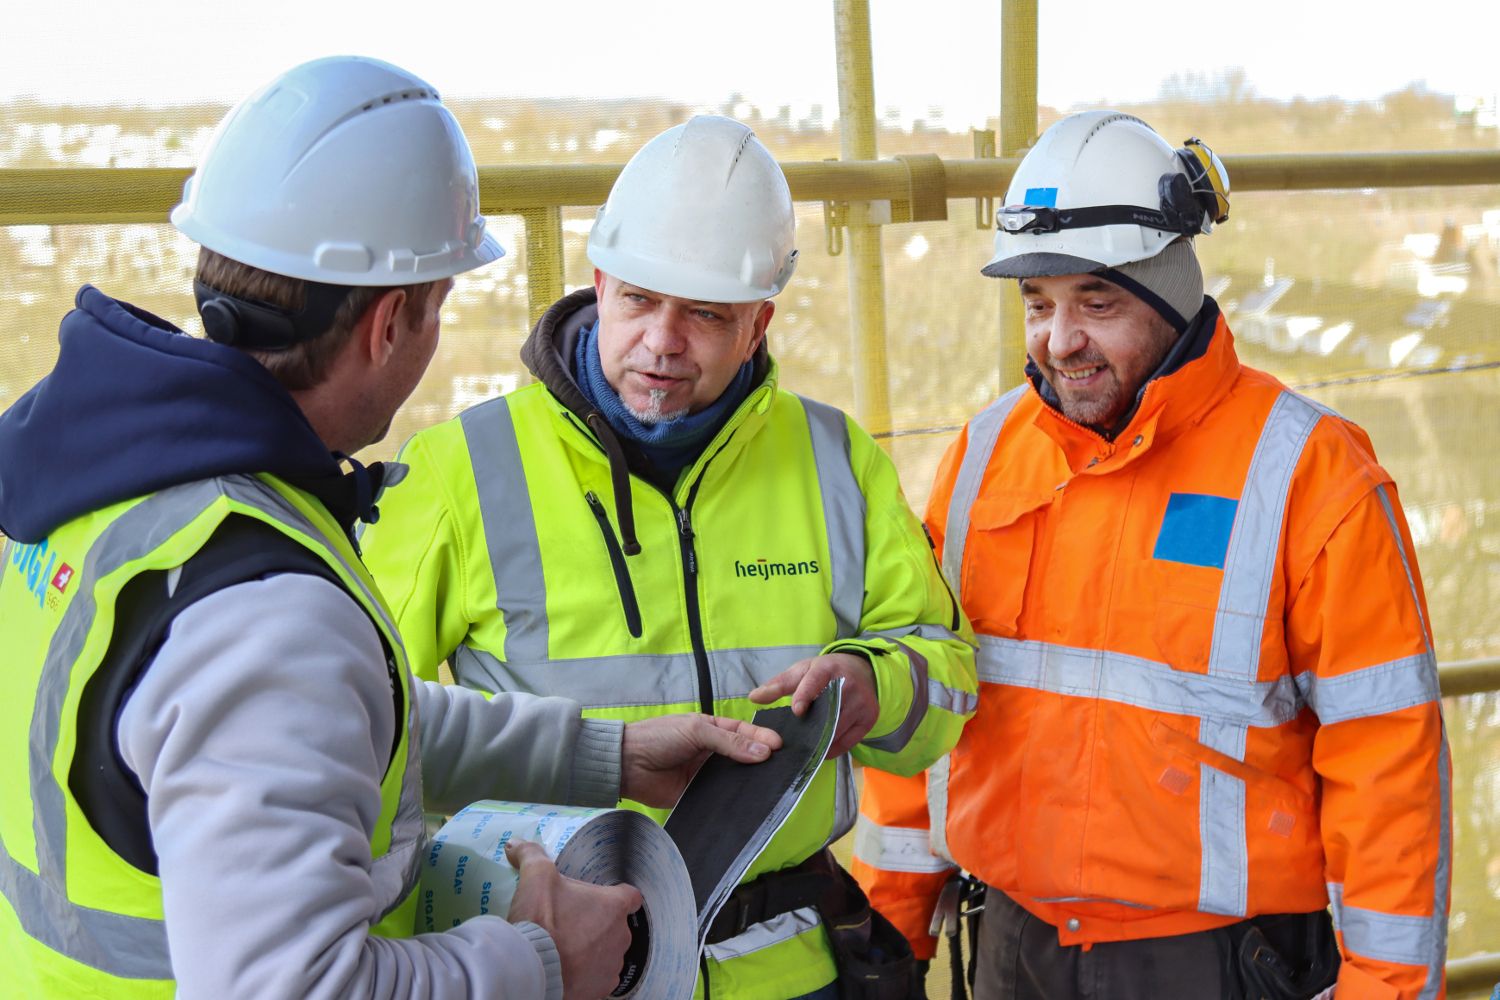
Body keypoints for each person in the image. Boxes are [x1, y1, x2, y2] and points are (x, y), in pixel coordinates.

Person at [0, 57, 781, 1000]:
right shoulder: (262, 610)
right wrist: (542, 960)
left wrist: (603, 755)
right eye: (440, 307)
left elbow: (340, 717)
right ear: (389, 322)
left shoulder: (108, 488)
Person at [360, 114, 978, 999]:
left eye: (704, 315)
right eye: (640, 300)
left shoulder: (836, 460)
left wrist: (879, 684)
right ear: (600, 282)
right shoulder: (460, 472)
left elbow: (951, 670)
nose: (661, 341)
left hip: (791, 964)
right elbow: (364, 734)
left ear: (759, 321)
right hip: (563, 969)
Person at [852, 110, 1451, 1000]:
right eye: (1039, 304)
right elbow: (930, 705)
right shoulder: (982, 458)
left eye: (1098, 303)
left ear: (1171, 297)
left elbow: (1386, 764)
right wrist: (888, 937)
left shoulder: (1312, 474)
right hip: (1015, 943)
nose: (1060, 341)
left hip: (1223, 965)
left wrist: (1388, 991)